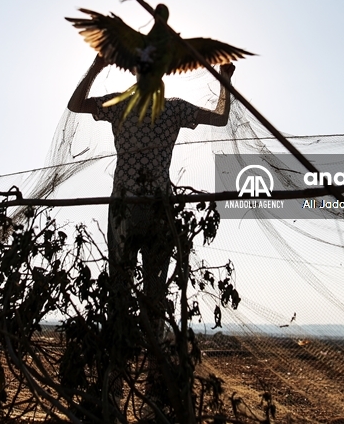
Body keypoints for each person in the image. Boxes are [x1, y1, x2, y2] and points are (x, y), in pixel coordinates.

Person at [67, 54, 235, 414]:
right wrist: (96, 67)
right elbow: (76, 104)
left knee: (153, 301)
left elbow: (219, 118)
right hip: (128, 209)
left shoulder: (172, 109)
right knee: (120, 297)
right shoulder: (122, 104)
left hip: (157, 210)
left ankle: (154, 397)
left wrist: (225, 80)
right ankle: (113, 392)